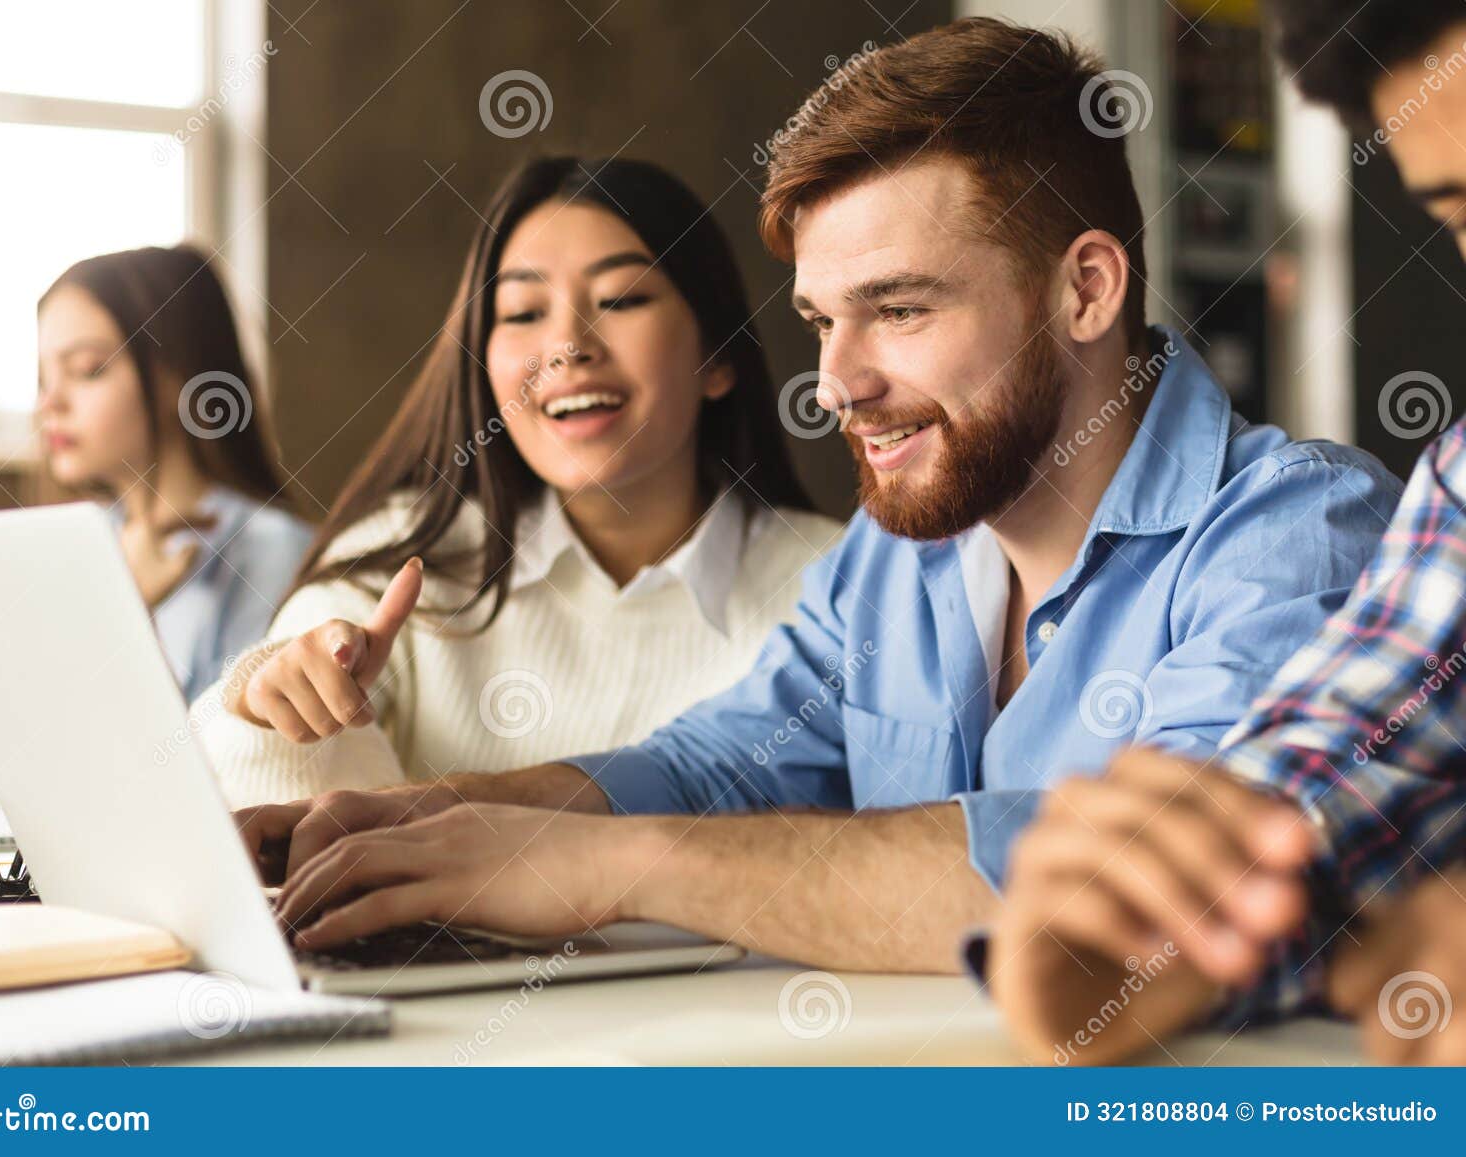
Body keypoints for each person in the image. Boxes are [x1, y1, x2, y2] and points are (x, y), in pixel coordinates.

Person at [235, 20, 1398, 970]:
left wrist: (610, 868)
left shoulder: (1298, 534)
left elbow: (1163, 883)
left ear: (1085, 289)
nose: (837, 383)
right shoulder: (908, 553)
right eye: (821, 322)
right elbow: (718, 766)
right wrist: (425, 823)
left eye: (898, 309)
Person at [991, 0, 1466, 1067]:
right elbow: (1337, 766)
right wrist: (1160, 907)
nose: (840, 384)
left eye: (903, 307)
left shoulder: (1301, 509)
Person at [195, 157, 841, 807]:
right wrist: (268, 700)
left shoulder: (840, 583)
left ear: (718, 357)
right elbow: (239, 810)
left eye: (621, 299)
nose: (567, 346)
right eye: (525, 311)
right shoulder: (401, 560)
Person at [0, 244, 312, 769]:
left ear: (178, 374)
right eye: (42, 377)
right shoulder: (82, 539)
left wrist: (123, 612)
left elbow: (231, 767)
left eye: (86, 369)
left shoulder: (273, 551)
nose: (49, 403)